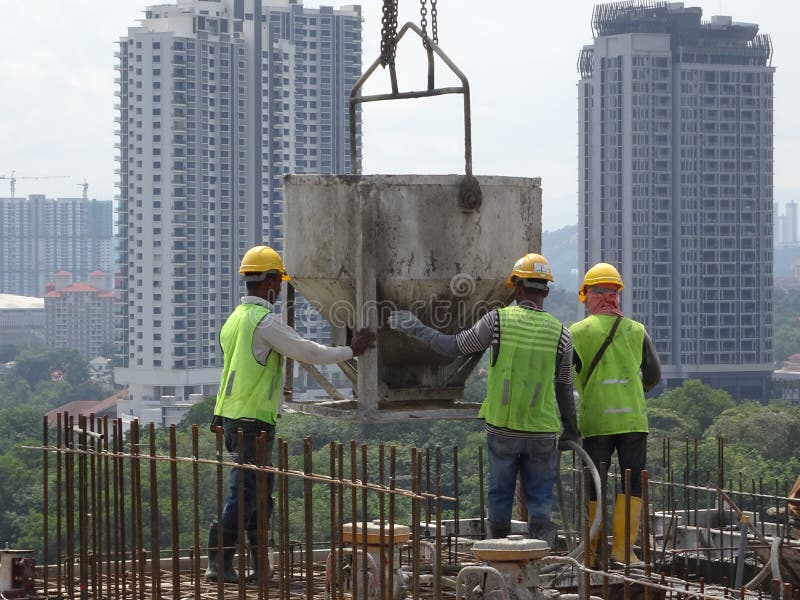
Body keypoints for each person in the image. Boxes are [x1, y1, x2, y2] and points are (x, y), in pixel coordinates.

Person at [205, 245, 375, 583]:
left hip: (232, 418)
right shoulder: (263, 321)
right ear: (269, 282)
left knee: (258, 496)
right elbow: (307, 352)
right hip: (251, 424)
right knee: (244, 496)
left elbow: (241, 371)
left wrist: (270, 393)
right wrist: (351, 350)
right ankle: (219, 566)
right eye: (278, 282)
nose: (280, 289)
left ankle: (257, 568)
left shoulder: (234, 320)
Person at [388, 253, 579, 546]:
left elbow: (452, 346)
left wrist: (415, 327)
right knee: (540, 497)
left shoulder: (497, 321)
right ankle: (541, 559)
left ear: (516, 288)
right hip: (542, 431)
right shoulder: (562, 335)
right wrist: (572, 430)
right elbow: (564, 387)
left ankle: (499, 555)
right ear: (547, 292)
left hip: (502, 426)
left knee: (500, 494)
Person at [569, 262, 661, 565]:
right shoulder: (636, 331)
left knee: (595, 484)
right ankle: (623, 551)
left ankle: (592, 553)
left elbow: (562, 378)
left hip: (596, 422)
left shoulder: (576, 333)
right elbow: (653, 376)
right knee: (632, 482)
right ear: (615, 296)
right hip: (633, 421)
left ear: (590, 296)